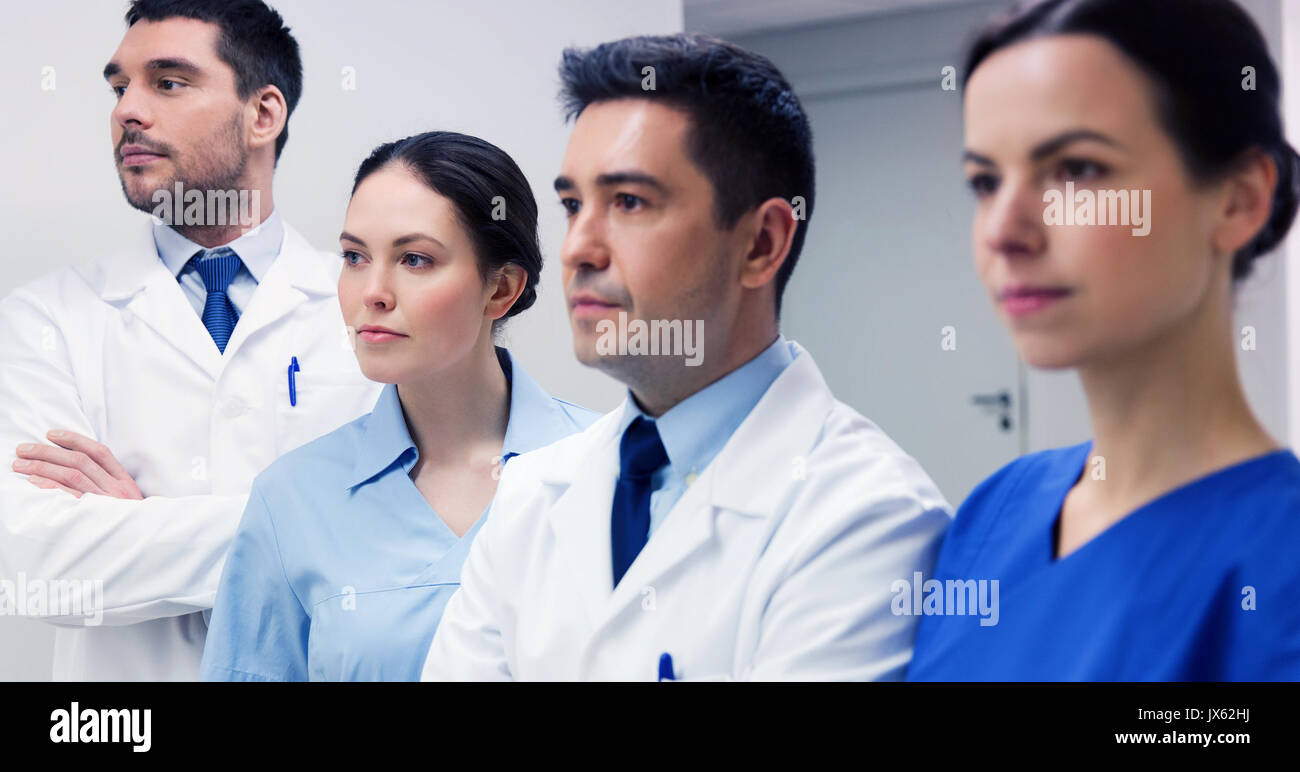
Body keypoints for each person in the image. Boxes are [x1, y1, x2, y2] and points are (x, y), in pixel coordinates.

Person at [422, 34, 952, 682]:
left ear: (761, 243)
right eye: (572, 205)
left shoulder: (867, 516)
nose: (577, 249)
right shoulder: (530, 494)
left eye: (630, 203)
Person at [907, 0, 1300, 681]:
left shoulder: (1279, 564)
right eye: (985, 182)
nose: (1004, 230)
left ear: (1237, 200)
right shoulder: (993, 513)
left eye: (1077, 170)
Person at [0, 0, 380, 680]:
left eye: (167, 82)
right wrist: (311, 523)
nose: (127, 111)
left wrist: (142, 525)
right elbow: (27, 557)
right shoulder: (45, 320)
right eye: (119, 87)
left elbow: (414, 540)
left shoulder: (373, 313)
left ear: (263, 114)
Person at [199, 132, 600, 681]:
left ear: (501, 289)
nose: (374, 292)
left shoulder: (613, 469)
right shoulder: (291, 500)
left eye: (414, 259)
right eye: (355, 257)